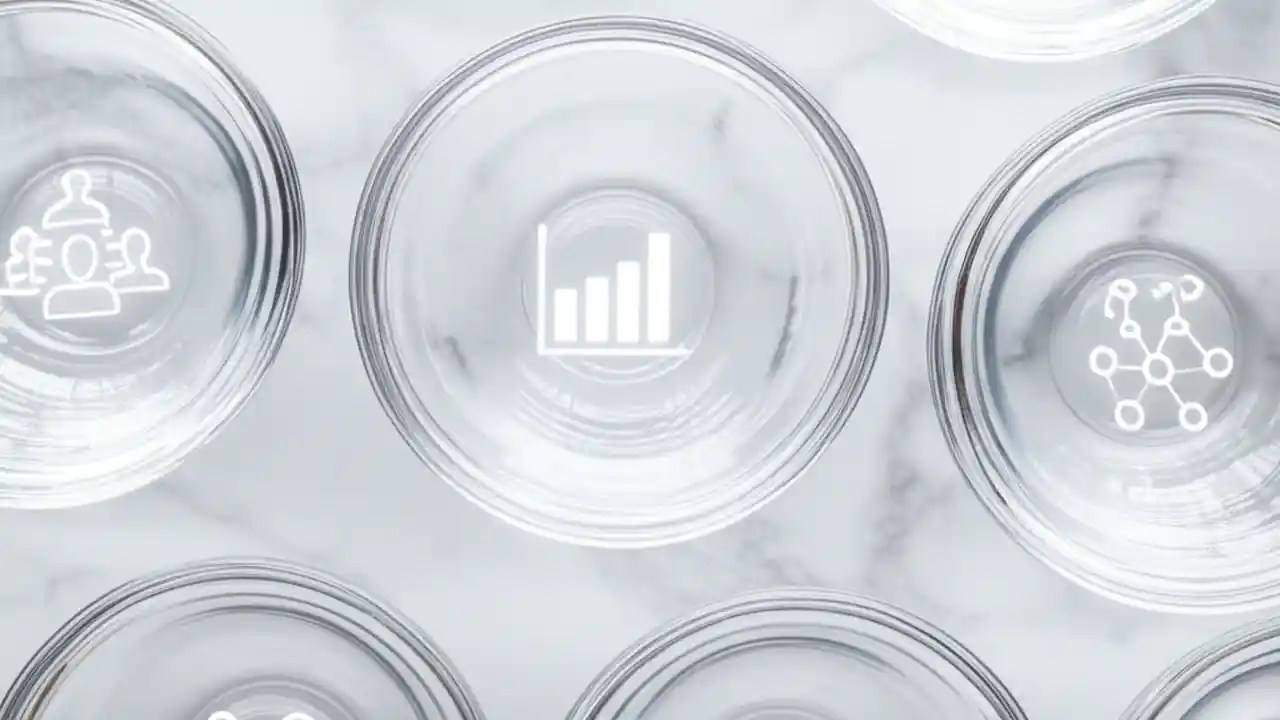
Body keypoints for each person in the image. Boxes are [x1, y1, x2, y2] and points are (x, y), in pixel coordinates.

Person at [43, 234, 121, 321]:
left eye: (85, 258)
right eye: (74, 258)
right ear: (65, 261)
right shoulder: (55, 298)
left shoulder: (106, 294)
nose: (80, 264)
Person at [106, 227, 170, 294]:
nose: (126, 253)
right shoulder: (117, 280)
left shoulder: (118, 280)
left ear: (143, 250)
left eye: (131, 248)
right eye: (128, 249)